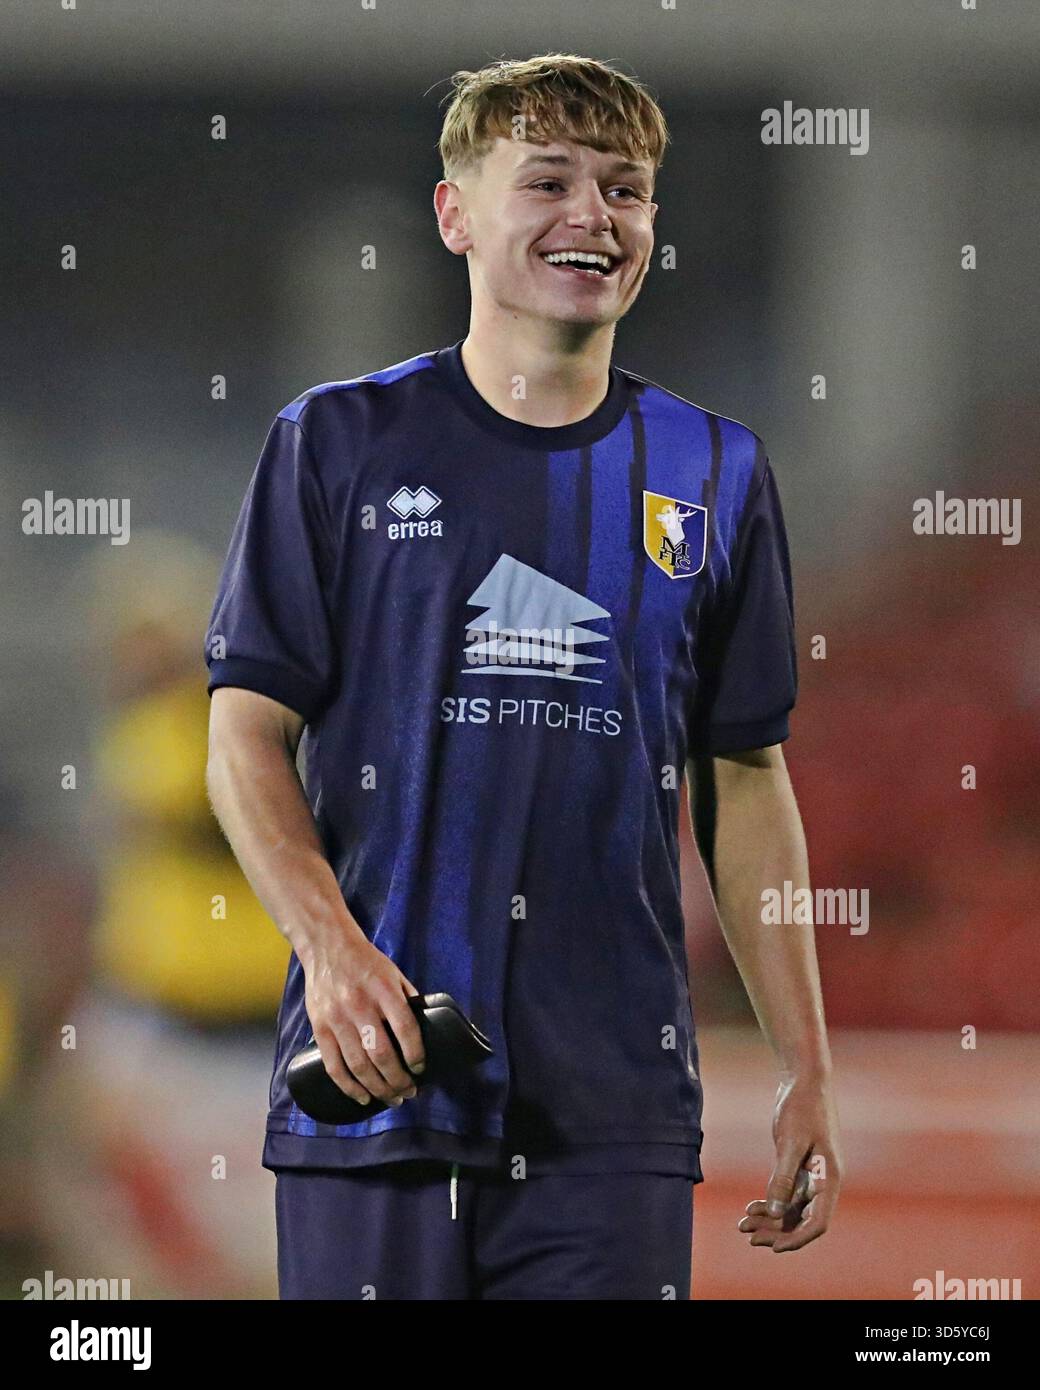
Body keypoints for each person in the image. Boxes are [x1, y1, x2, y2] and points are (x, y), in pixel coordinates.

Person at [204, 52, 843, 1301]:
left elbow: (746, 773)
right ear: (455, 214)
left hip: (612, 1115)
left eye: (625, 188)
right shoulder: (334, 443)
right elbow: (243, 737)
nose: (590, 216)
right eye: (545, 179)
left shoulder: (715, 472)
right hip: (375, 1096)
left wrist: (804, 1064)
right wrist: (330, 955)